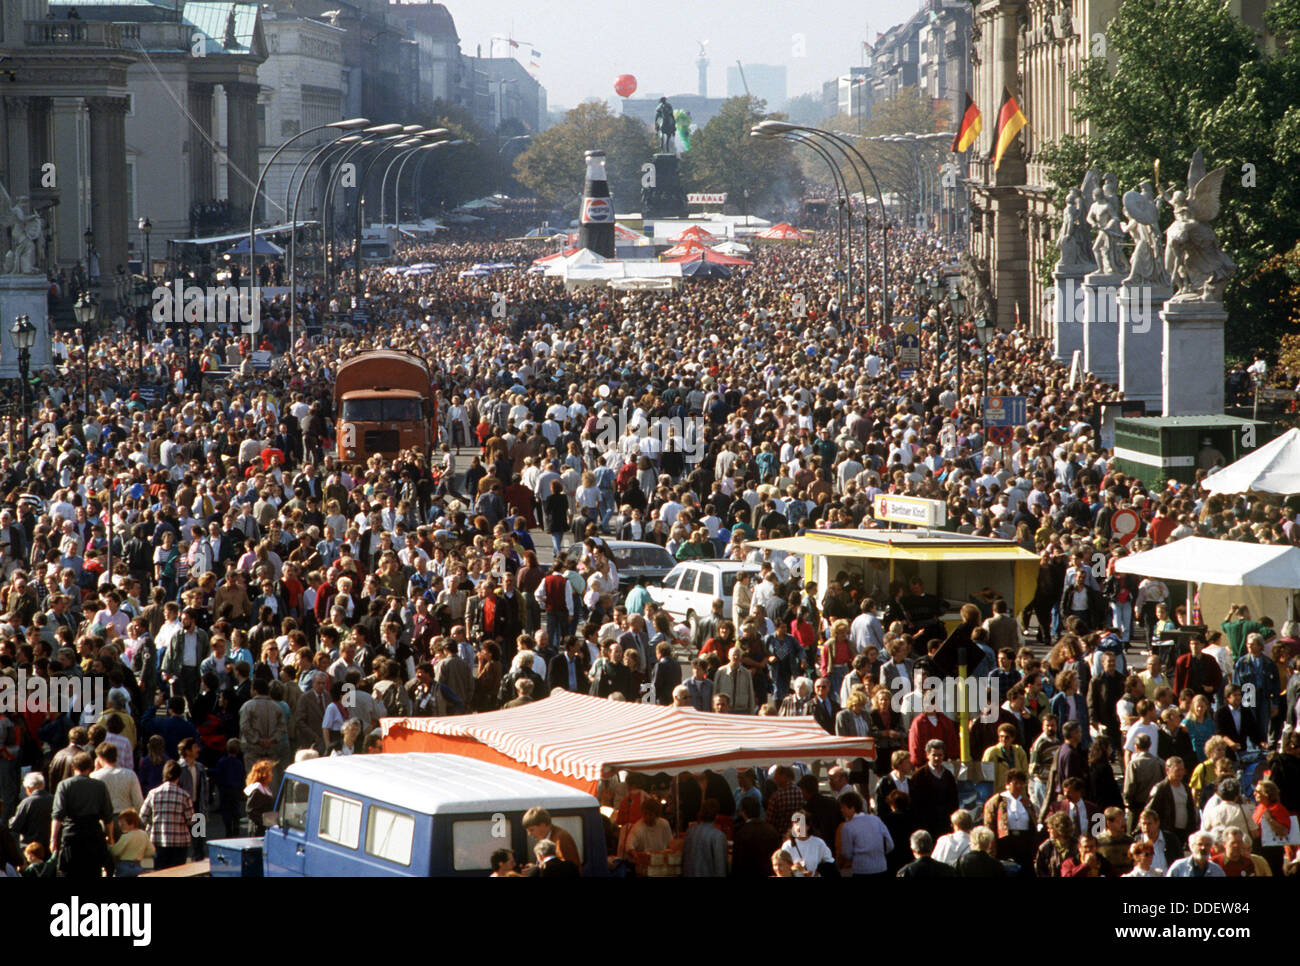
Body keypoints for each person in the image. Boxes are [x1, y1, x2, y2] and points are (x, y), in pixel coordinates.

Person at [49, 752, 113, 879]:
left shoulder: (64, 785)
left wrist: (53, 839)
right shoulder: (99, 786)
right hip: (93, 835)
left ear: (73, 767)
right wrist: (110, 837)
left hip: (71, 834)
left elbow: (57, 815)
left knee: (69, 872)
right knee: (93, 872)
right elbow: (108, 815)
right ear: (90, 767)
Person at [139, 760, 195, 870]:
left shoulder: (153, 793)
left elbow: (142, 816)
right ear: (179, 776)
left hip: (158, 839)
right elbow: (190, 819)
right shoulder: (184, 795)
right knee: (179, 872)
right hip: (180, 841)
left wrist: (153, 823)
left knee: (160, 871)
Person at [835, 790, 893, 877]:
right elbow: (890, 844)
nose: (841, 810)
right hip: (881, 866)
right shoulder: (876, 820)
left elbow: (847, 853)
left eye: (843, 807)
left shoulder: (847, 827)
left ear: (852, 808)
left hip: (861, 869)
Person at [521, 806, 582, 874]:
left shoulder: (561, 839)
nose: (529, 834)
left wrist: (537, 869)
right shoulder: (546, 837)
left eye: (531, 830)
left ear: (543, 825)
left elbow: (564, 869)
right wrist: (536, 867)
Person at [680, 799, 728, 877]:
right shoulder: (718, 836)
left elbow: (684, 860)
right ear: (716, 816)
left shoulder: (690, 831)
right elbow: (720, 868)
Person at [107, 809, 154, 878]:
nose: (120, 825)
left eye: (122, 823)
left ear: (131, 823)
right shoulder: (143, 834)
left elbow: (116, 851)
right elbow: (151, 850)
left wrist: (109, 846)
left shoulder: (126, 836)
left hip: (125, 866)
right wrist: (142, 854)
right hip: (138, 865)